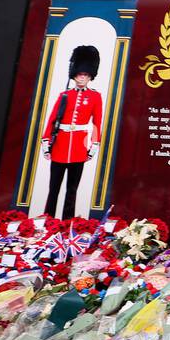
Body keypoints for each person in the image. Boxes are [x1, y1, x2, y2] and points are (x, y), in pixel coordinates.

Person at [41, 46, 102, 219]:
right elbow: (52, 120)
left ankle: (68, 222)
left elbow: (97, 123)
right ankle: (48, 220)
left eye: (85, 75)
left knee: (72, 190)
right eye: (79, 75)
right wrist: (46, 144)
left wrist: (93, 145)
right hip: (60, 146)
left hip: (79, 148)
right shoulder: (64, 95)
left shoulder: (95, 97)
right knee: (53, 189)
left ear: (90, 76)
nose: (82, 78)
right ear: (74, 75)